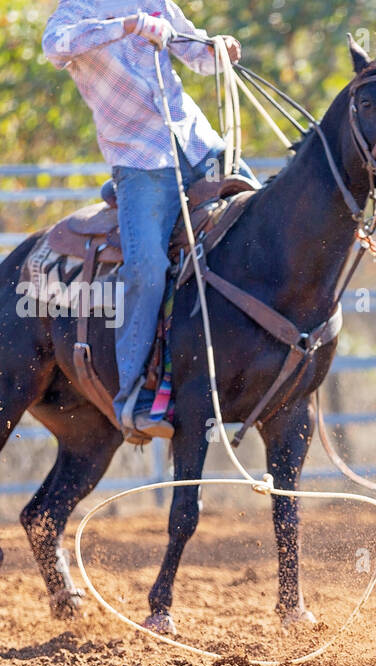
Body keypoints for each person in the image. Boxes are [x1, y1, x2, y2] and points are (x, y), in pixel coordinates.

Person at [42, 1, 254, 441]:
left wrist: (218, 50)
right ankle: (134, 398)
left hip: (198, 144)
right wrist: (128, 26)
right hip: (140, 163)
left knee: (264, 217)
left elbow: (194, 52)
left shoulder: (157, 3)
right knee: (147, 269)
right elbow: (55, 48)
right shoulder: (74, 13)